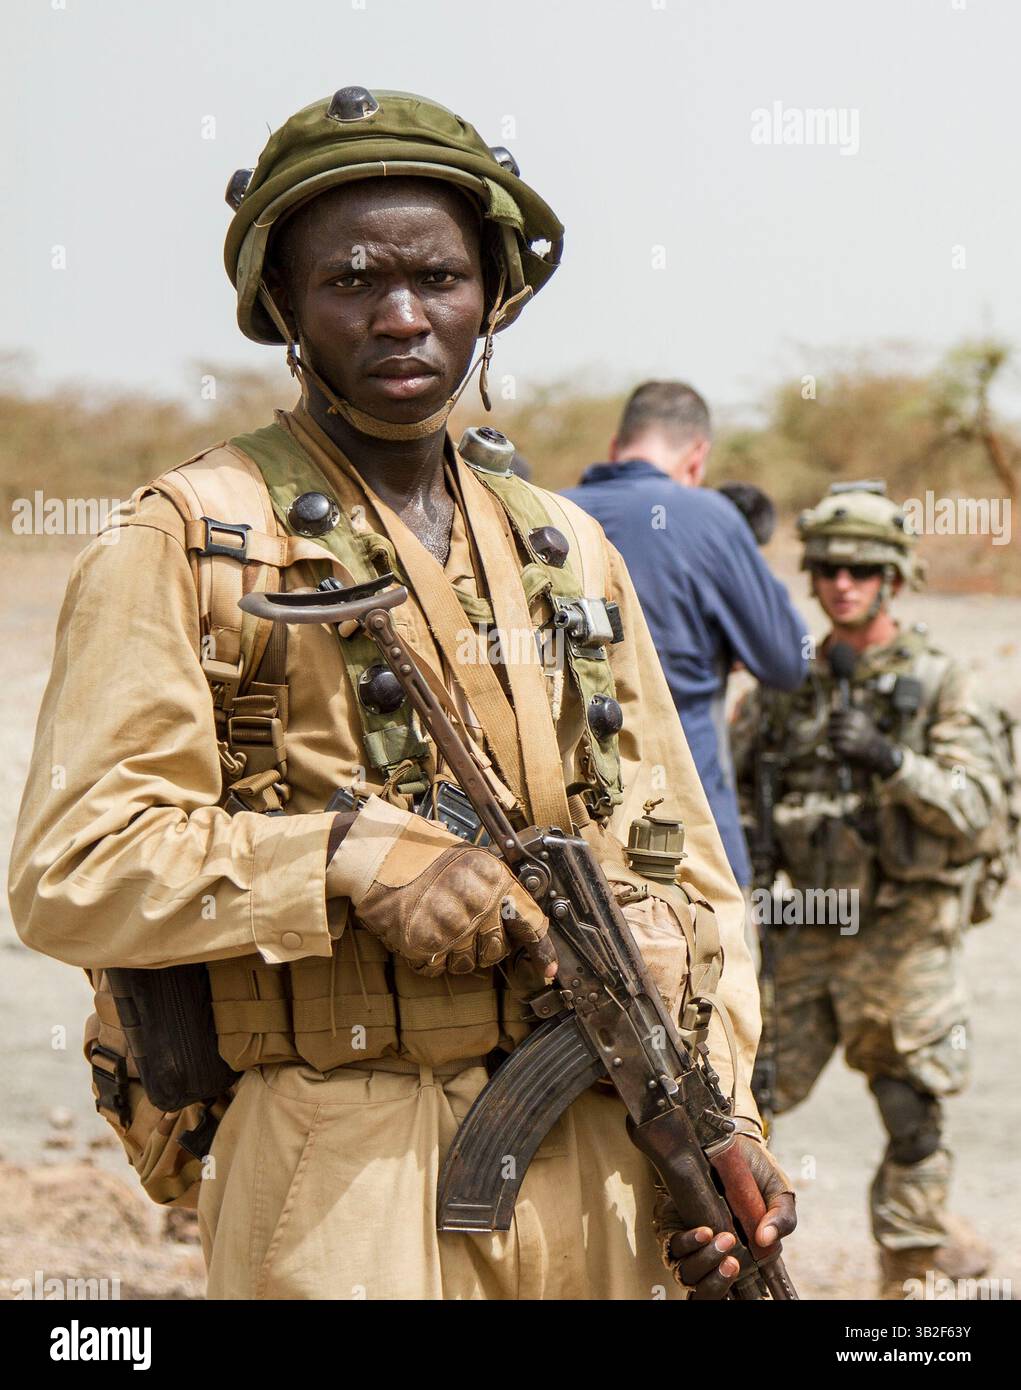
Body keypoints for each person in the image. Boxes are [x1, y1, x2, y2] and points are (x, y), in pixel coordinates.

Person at [9, 87, 794, 1300]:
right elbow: (72, 869)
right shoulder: (191, 538)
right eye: (352, 281)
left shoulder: (569, 548)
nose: (402, 316)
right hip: (341, 1158)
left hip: (593, 1138)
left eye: (439, 278)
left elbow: (688, 869)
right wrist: (342, 859)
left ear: (492, 295)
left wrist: (724, 1112)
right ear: (284, 305)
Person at [731, 482, 1011, 1298]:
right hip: (803, 927)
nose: (841, 584)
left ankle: (906, 1286)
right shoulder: (787, 686)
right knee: (742, 1101)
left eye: (859, 569)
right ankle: (733, 1266)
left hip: (903, 931)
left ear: (892, 577)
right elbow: (734, 793)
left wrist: (894, 764)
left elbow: (978, 808)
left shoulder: (939, 681)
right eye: (826, 569)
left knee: (909, 1110)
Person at [563, 382, 808, 889]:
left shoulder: (545, 514)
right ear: (698, 457)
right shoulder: (710, 517)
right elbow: (786, 662)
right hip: (689, 843)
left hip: (569, 845)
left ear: (615, 446)